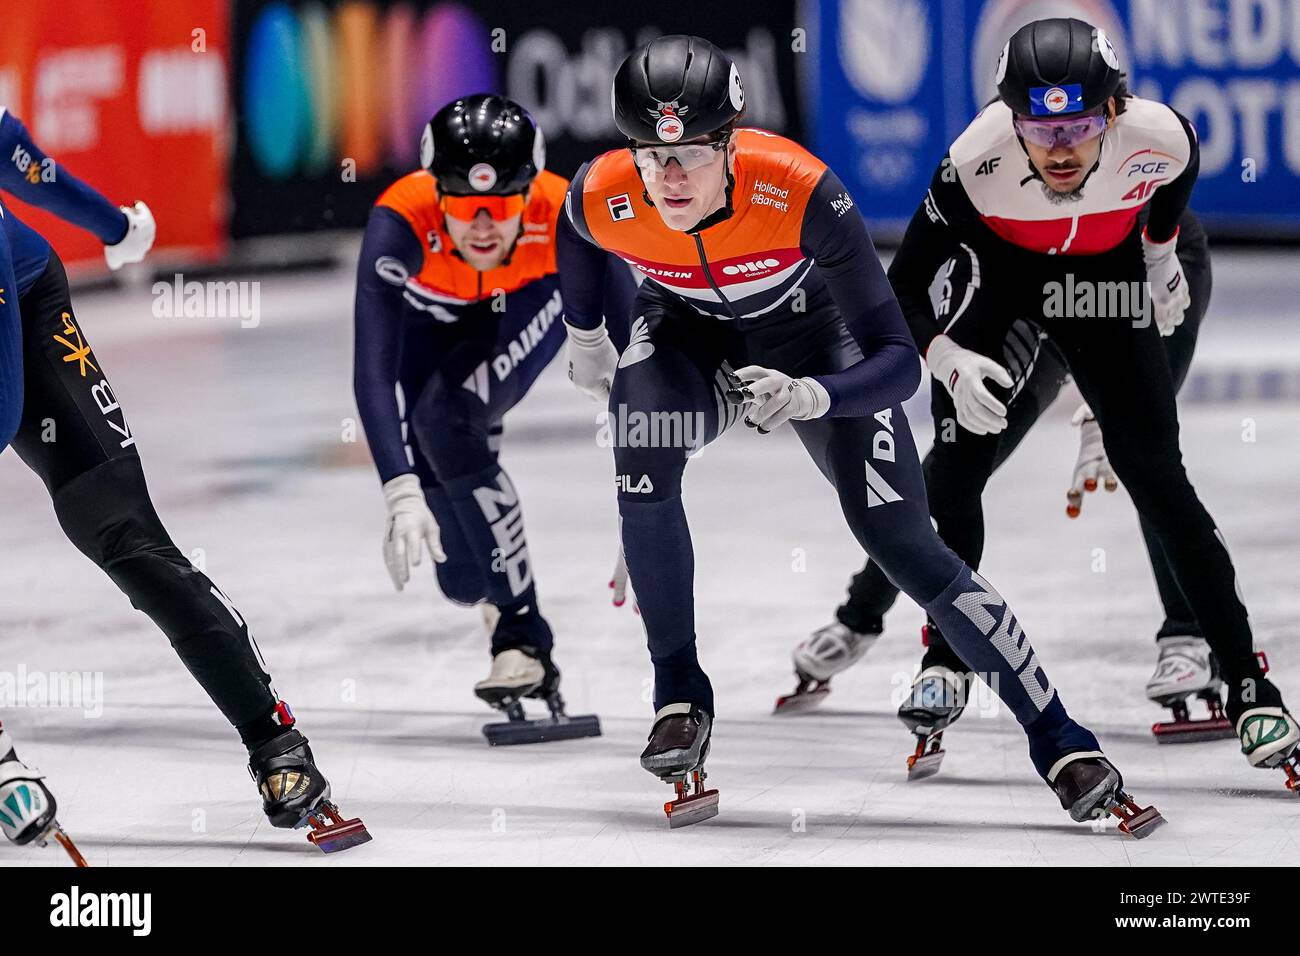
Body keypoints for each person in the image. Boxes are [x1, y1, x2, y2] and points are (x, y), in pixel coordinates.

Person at [556, 34, 1162, 834]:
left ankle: (1058, 736)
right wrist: (587, 335)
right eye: (651, 155)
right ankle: (678, 693)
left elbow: (896, 363)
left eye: (694, 154)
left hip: (818, 346)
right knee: (640, 435)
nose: (670, 178)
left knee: (901, 541)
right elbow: (574, 230)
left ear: (731, 145)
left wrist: (812, 396)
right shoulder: (606, 191)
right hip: (692, 341)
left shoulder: (801, 191)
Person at [786, 18, 1297, 787]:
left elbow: (1182, 166)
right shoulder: (972, 162)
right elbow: (900, 294)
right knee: (957, 469)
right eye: (1041, 129)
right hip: (1014, 292)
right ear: (1012, 121)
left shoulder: (1158, 136)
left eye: (1082, 126)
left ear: (1115, 114)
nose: (1061, 150)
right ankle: (943, 653)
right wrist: (945, 356)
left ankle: (1245, 678)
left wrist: (1159, 252)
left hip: (1117, 284)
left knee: (1155, 473)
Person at [0, 107, 368, 855]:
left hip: (21, 299)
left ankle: (275, 742)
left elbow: (16, 159)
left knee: (119, 529)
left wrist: (111, 226)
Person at [353, 94, 635, 744]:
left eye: (502, 208)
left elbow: (635, 355)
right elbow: (371, 369)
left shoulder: (567, 212)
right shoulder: (400, 219)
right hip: (433, 324)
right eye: (464, 208)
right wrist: (399, 491)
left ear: (529, 194)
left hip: (525, 301)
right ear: (435, 194)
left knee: (443, 420)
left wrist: (644, 498)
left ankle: (523, 639)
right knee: (461, 574)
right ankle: (499, 609)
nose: (483, 227)